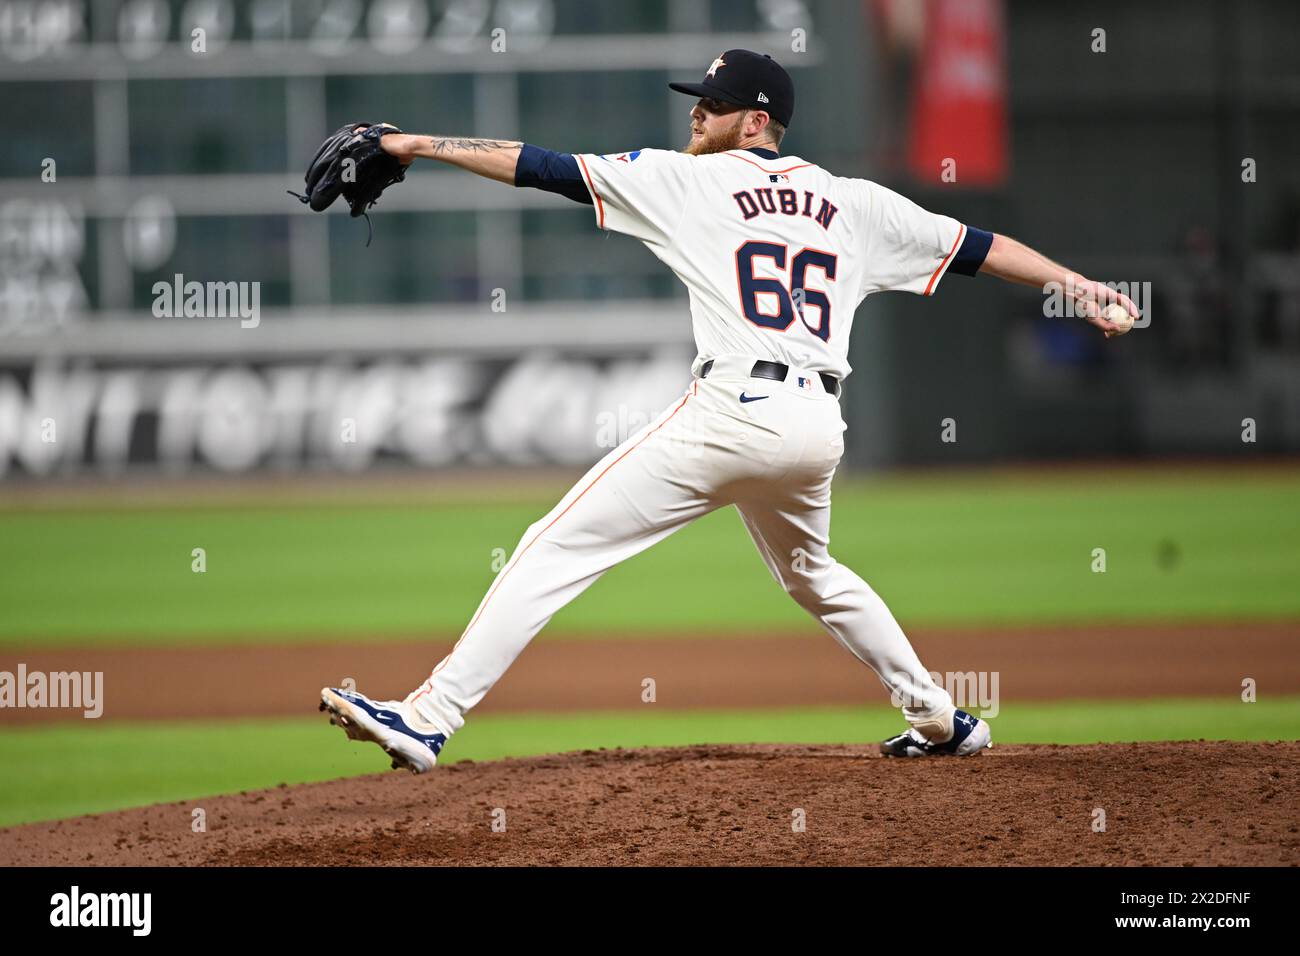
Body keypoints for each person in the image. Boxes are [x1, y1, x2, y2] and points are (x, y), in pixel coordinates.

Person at [320, 49, 1137, 772]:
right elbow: (980, 248)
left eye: (709, 106)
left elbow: (541, 166)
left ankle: (428, 718)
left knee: (551, 546)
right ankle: (939, 717)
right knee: (812, 573)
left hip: (734, 412)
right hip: (817, 427)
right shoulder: (857, 202)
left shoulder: (688, 181)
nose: (694, 115)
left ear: (756, 122)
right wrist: (1082, 288)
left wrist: (410, 142)